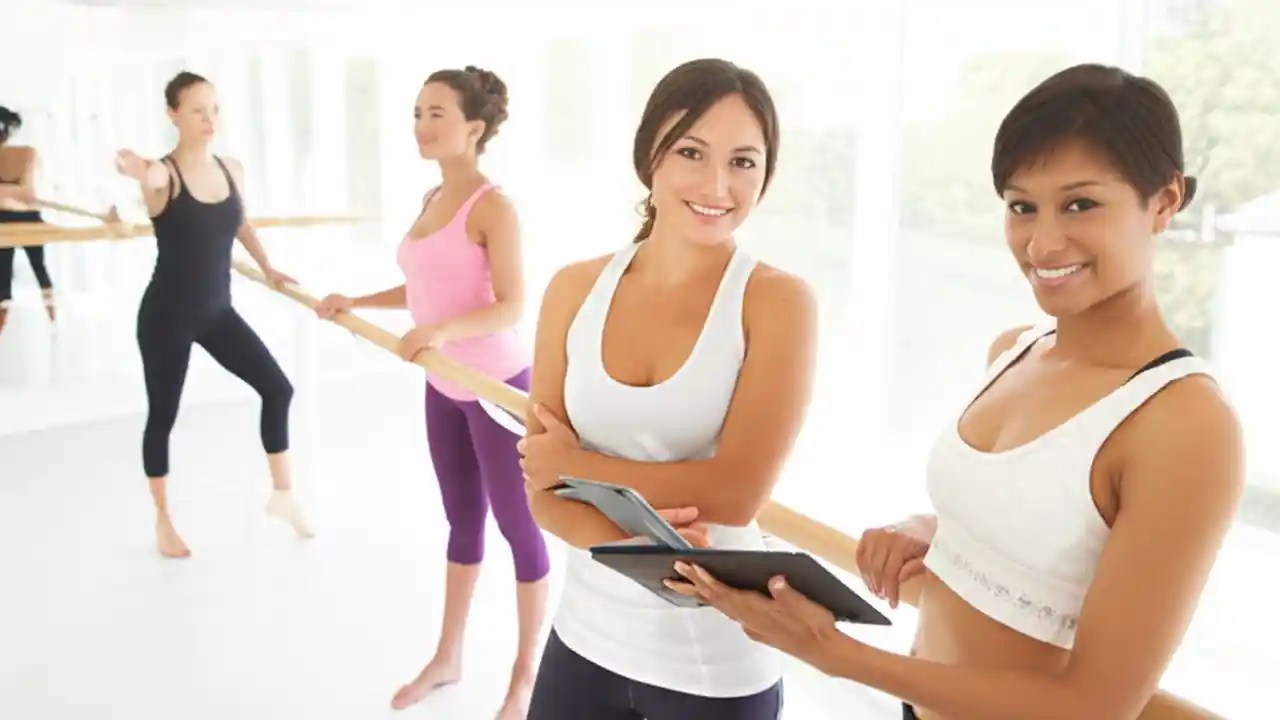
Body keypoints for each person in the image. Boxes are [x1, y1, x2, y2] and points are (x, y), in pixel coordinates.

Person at [670, 63, 1244, 720]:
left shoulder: (1186, 422)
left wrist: (833, 652)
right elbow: (1049, 519)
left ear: (1164, 202)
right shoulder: (1016, 350)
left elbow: (1096, 706)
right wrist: (938, 531)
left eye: (1080, 204)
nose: (1042, 242)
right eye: (1022, 206)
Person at [517, 58, 817, 720]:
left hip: (716, 662)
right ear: (648, 155)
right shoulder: (574, 288)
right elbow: (541, 490)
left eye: (743, 162)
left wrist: (577, 468)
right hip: (583, 640)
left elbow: (737, 493)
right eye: (691, 152)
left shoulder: (777, 300)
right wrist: (650, 544)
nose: (718, 185)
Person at [314, 66, 548, 720]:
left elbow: (512, 305)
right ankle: (448, 656)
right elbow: (425, 288)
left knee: (519, 529)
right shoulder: (430, 198)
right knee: (461, 521)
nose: (421, 125)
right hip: (443, 386)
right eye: (418, 112)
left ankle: (525, 677)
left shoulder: (494, 207)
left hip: (496, 388)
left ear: (474, 128)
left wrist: (441, 332)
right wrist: (357, 301)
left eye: (436, 113)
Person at [114, 71, 312, 559]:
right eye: (198, 110)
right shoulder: (164, 175)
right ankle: (163, 519)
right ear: (173, 114)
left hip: (216, 312)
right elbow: (151, 178)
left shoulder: (231, 168)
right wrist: (138, 168)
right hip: (166, 316)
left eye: (215, 109)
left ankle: (283, 494)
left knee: (278, 389)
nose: (210, 119)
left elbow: (241, 223)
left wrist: (268, 268)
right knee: (164, 415)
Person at [0, 105, 56, 328]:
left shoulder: (26, 153)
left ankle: (54, 319)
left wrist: (9, 193)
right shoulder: (26, 154)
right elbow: (23, 193)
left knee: (38, 268)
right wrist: (14, 192)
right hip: (7, 219)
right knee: (4, 273)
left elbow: (28, 193)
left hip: (25, 218)